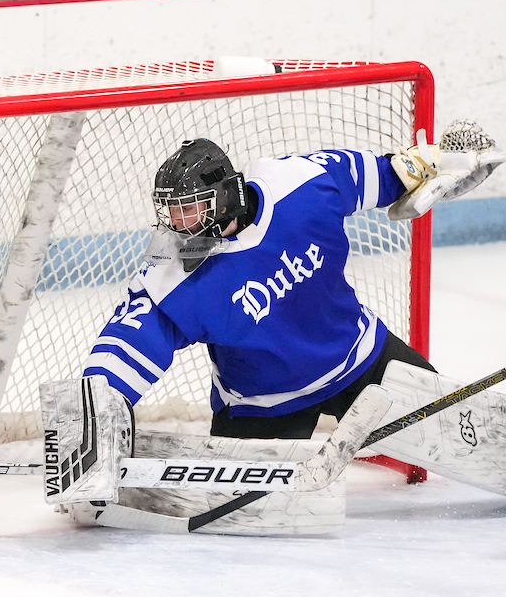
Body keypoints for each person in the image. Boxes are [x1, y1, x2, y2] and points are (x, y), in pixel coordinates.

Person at [83, 129, 501, 441]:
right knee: (245, 515)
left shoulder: (299, 183)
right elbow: (129, 343)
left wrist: (430, 164)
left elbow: (381, 175)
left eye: (189, 210)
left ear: (225, 198)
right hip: (263, 404)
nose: (178, 226)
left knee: (469, 435)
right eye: (172, 213)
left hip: (359, 358)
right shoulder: (172, 273)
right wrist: (95, 409)